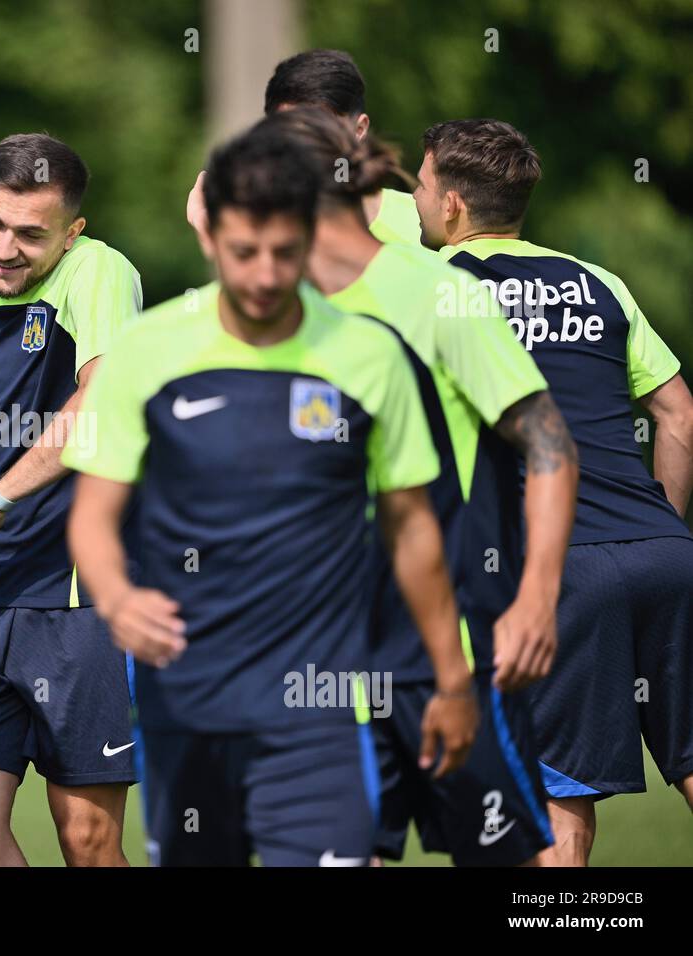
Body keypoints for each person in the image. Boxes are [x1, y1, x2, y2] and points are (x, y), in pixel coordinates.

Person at [64, 124, 474, 866]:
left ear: (313, 234)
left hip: (318, 714)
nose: (262, 274)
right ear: (210, 235)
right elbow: (94, 514)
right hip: (186, 708)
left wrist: (451, 678)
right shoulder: (146, 352)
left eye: (285, 253)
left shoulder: (370, 355)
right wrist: (118, 598)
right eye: (244, 252)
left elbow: (413, 530)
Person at [265, 108, 578, 865]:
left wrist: (535, 599)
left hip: (449, 655)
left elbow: (549, 444)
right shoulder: (281, 313)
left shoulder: (440, 294)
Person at [417, 118, 693, 865]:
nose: (413, 194)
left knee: (554, 809)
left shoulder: (436, 290)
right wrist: (657, 526)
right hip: (670, 556)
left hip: (560, 571)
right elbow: (678, 415)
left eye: (419, 180)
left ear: (450, 206)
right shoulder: (596, 282)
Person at [0, 133, 142, 866]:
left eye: (31, 234)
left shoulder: (101, 271)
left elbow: (103, 397)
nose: (4, 248)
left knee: (86, 836)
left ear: (73, 231)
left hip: (78, 593)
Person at [186, 48, 421, 250]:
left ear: (359, 130)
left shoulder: (424, 221)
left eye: (319, 129)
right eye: (288, 132)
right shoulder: (260, 231)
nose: (303, 148)